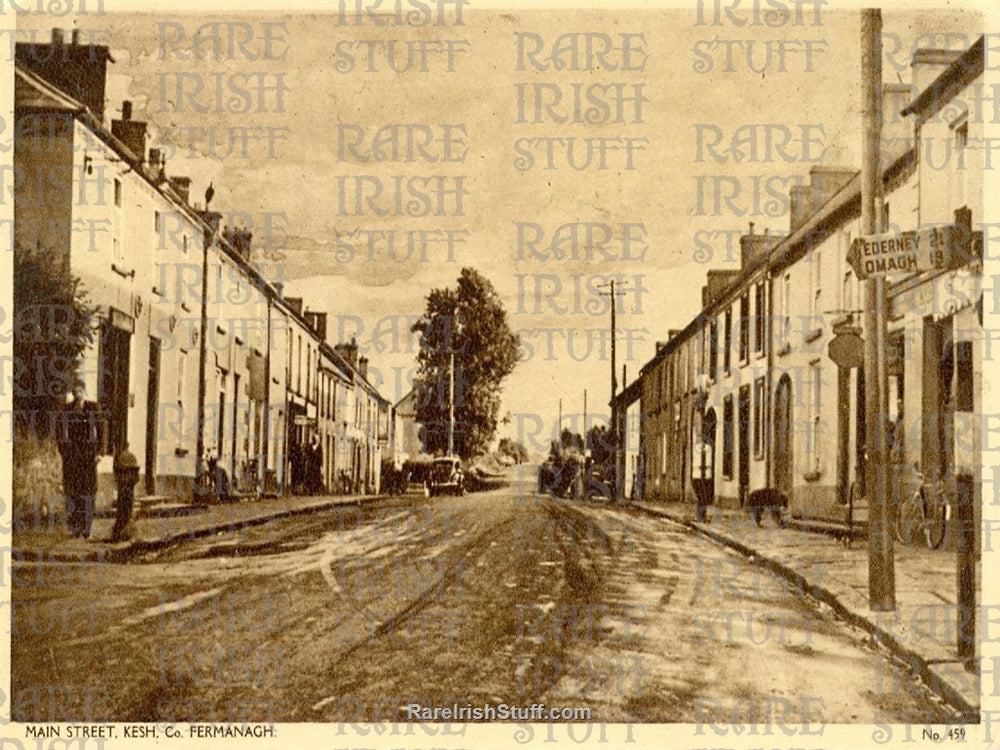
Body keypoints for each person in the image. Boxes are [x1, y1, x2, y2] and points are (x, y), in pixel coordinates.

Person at [58, 382, 100, 539]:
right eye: (75, 392)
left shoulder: (93, 408)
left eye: (80, 392)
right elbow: (60, 432)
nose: (77, 395)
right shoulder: (66, 410)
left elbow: (102, 430)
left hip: (89, 458)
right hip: (72, 459)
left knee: (88, 492)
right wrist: (64, 452)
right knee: (73, 492)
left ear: (85, 392)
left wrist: (100, 452)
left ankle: (86, 527)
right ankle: (75, 527)